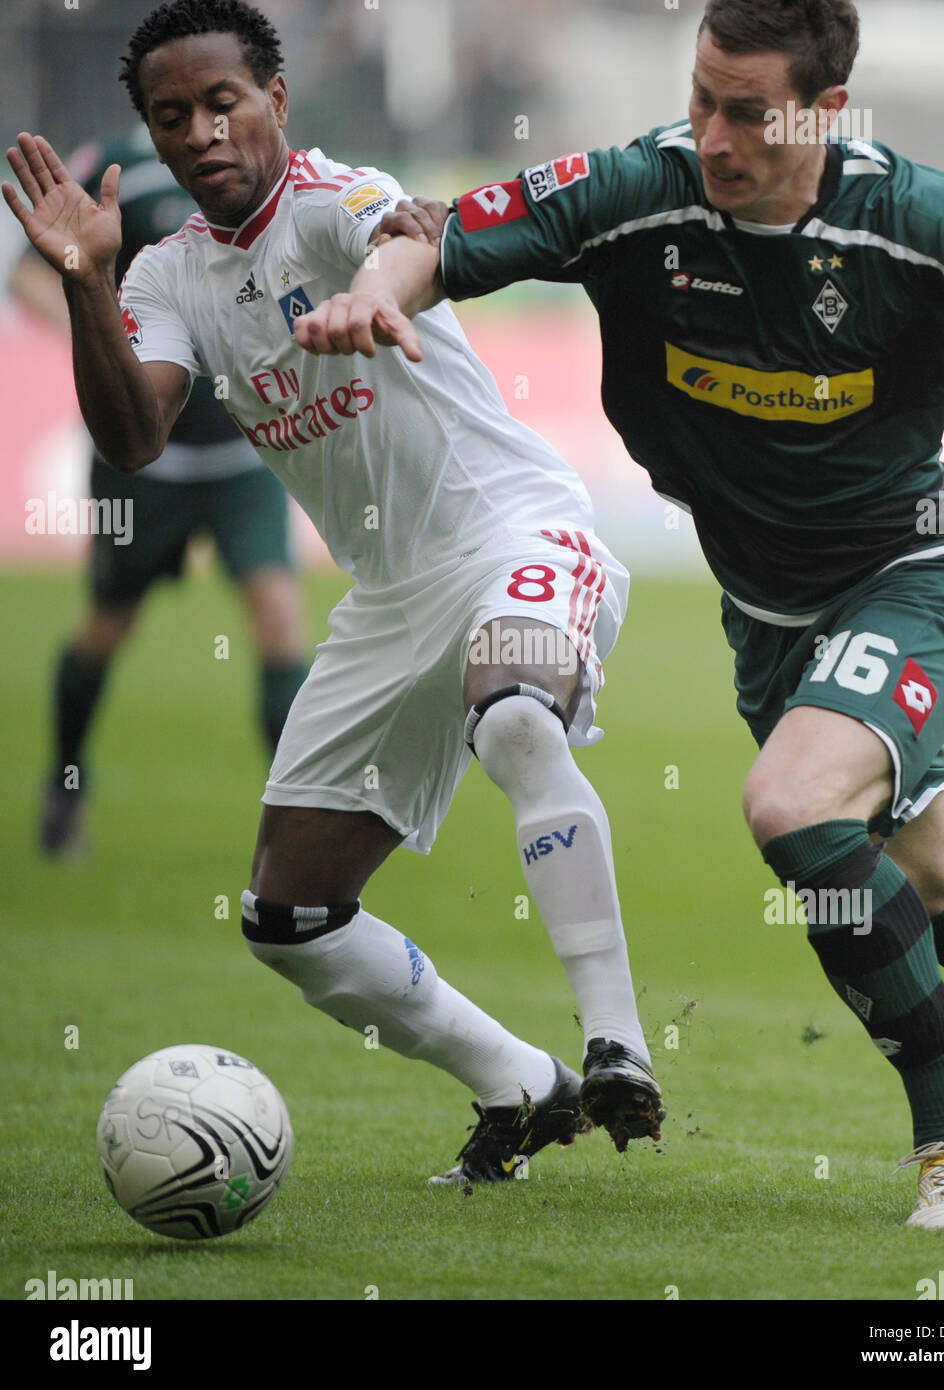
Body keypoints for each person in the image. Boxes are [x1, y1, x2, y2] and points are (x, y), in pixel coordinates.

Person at [313, 0, 944, 1226]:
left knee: (792, 806)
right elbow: (432, 238)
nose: (711, 135)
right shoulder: (634, 194)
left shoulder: (916, 218)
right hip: (766, 613)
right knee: (925, 887)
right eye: (701, 99)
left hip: (917, 575)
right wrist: (369, 295)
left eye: (747, 113)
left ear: (824, 111)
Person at [2, 0, 664, 1182]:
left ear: (274, 100)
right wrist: (87, 282)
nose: (201, 132)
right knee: (288, 920)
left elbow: (394, 235)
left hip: (514, 530)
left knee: (515, 717)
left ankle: (616, 1043)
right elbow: (135, 436)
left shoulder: (331, 196)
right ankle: (522, 1084)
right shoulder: (163, 274)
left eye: (222, 102)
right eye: (172, 115)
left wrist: (375, 285)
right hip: (388, 600)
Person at [10, 123, 310, 856]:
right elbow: (28, 275)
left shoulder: (255, 153)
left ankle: (302, 825)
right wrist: (97, 327)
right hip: (141, 463)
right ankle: (65, 783)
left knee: (280, 621)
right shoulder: (115, 163)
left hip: (244, 448)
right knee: (107, 626)